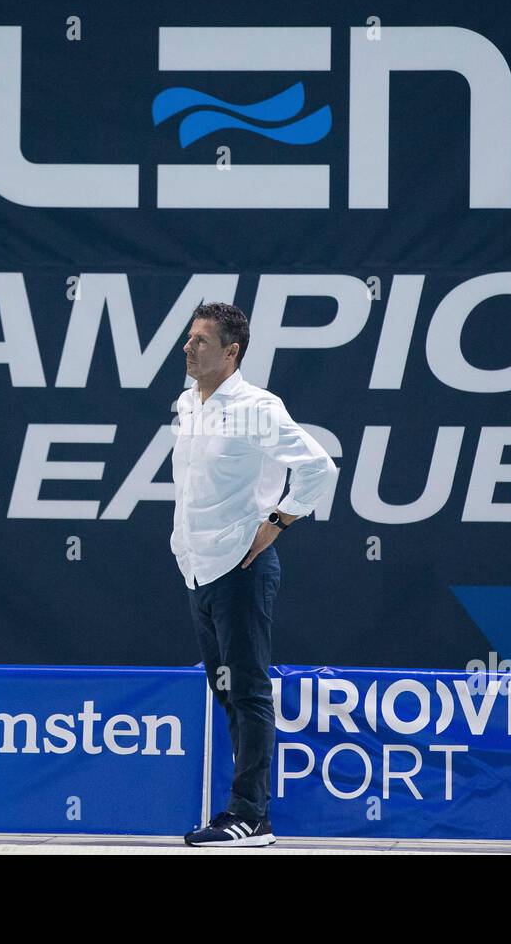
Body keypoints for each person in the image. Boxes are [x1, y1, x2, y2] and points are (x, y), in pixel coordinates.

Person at [171, 302, 338, 847]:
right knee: (226, 692)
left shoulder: (256, 407)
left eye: (200, 340)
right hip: (198, 568)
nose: (189, 347)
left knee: (247, 691)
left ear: (231, 351)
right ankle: (248, 808)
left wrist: (280, 519)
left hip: (241, 567)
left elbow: (319, 466)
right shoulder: (187, 403)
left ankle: (250, 816)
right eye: (189, 337)